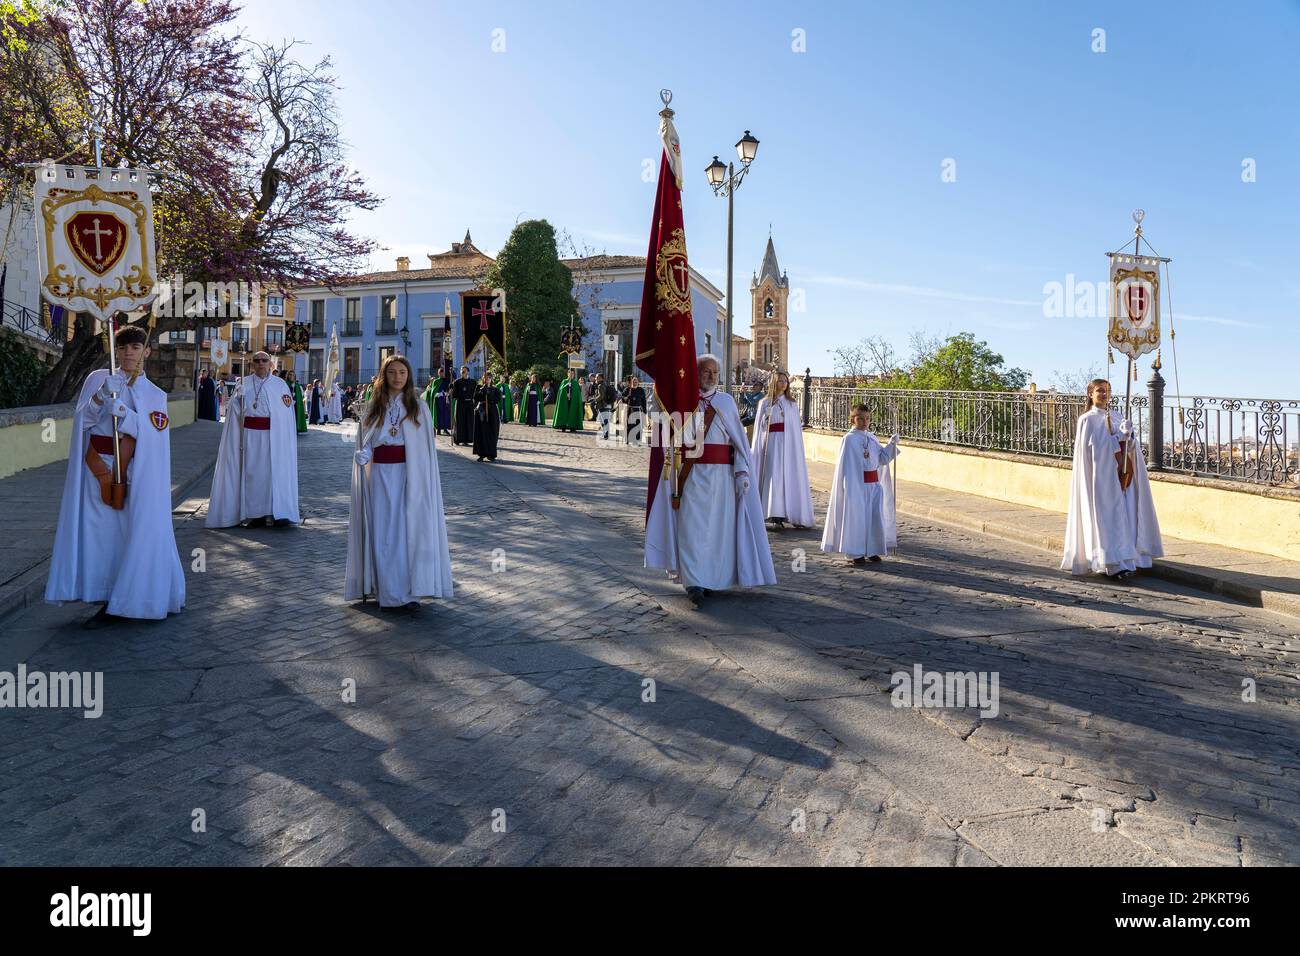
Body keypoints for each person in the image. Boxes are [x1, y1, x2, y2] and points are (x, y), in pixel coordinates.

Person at [45, 325, 186, 628]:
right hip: (95, 467)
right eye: (122, 348)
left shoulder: (155, 394)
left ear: (146, 351)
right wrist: (99, 399)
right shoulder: (97, 378)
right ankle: (105, 594)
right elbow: (82, 420)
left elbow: (155, 437)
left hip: (132, 471)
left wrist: (123, 411)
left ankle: (129, 596)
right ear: (115, 351)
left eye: (135, 347)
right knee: (98, 535)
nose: (128, 353)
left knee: (127, 535)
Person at [645, 354, 776, 605]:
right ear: (696, 373)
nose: (711, 376)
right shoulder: (683, 401)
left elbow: (738, 443)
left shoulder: (726, 403)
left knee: (718, 532)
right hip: (691, 477)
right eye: (706, 371)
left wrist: (741, 472)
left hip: (722, 479)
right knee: (692, 529)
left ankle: (713, 578)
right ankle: (694, 581)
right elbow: (662, 421)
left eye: (715, 373)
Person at [346, 355, 453, 609]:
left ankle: (408, 592)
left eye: (402, 372)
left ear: (408, 376)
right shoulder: (374, 407)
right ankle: (386, 591)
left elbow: (423, 451)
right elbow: (368, 439)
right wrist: (365, 452)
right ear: (385, 375)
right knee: (383, 532)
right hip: (381, 477)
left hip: (408, 476)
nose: (397, 377)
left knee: (407, 532)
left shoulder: (419, 407)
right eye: (392, 372)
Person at [1062, 378, 1163, 579]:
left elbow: (1130, 449)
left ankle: (1128, 560)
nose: (1104, 394)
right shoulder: (1087, 420)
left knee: (1125, 517)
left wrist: (1130, 436)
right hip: (1101, 479)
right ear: (1090, 394)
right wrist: (1118, 439)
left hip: (1122, 476)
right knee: (1107, 519)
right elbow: (1094, 451)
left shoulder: (1116, 417)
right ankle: (1110, 564)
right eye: (1100, 390)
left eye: (1107, 390)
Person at [206, 351, 301, 528]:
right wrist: (237, 400)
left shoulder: (280, 385)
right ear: (252, 364)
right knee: (251, 474)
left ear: (271, 364)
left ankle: (271, 512)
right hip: (249, 436)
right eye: (256, 361)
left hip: (272, 438)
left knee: (270, 475)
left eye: (264, 360)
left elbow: (286, 415)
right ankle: (252, 513)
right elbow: (233, 413)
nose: (260, 364)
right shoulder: (244, 383)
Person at [821, 403, 900, 565]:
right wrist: (849, 487)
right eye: (861, 419)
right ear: (852, 420)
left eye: (867, 419)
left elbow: (883, 459)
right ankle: (855, 552)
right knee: (857, 519)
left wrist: (892, 445)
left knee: (874, 519)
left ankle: (872, 550)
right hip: (856, 486)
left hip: (873, 485)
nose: (865, 422)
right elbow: (846, 467)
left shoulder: (872, 437)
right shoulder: (849, 440)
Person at [750, 370, 814, 529]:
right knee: (774, 476)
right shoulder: (765, 403)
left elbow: (795, 429)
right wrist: (767, 417)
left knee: (787, 477)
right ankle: (775, 515)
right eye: (780, 381)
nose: (784, 384)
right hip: (771, 443)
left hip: (787, 445)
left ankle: (792, 512)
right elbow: (760, 427)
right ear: (773, 383)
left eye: (786, 381)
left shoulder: (791, 404)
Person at [473, 371, 502, 461]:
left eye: (489, 377)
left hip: (492, 412)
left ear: (491, 379)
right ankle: (481, 454)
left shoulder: (495, 389)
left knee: (492, 432)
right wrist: (483, 390)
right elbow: (475, 397)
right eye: (485, 377)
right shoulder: (479, 387)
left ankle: (491, 454)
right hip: (482, 411)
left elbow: (498, 399)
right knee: (482, 432)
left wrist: (488, 394)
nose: (487, 379)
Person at [450, 365, 477, 446]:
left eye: (464, 371)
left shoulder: (473, 382)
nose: (462, 372)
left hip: (469, 404)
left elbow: (476, 395)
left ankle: (468, 439)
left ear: (468, 372)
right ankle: (459, 439)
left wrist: (475, 404)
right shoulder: (456, 382)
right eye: (461, 371)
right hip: (460, 404)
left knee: (469, 421)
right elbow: (454, 395)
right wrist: (451, 389)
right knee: (460, 422)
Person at [553, 368, 584, 433]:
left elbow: (578, 393)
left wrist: (572, 388)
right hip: (565, 401)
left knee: (573, 413)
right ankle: (563, 426)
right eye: (570, 373)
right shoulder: (564, 381)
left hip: (573, 401)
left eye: (572, 373)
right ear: (567, 374)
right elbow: (561, 391)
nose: (571, 374)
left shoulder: (575, 383)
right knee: (564, 412)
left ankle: (572, 426)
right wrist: (567, 385)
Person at [625, 376, 648, 445]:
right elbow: (623, 397)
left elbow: (644, 401)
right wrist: (627, 397)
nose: (634, 383)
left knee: (638, 425)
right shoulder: (628, 389)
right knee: (630, 424)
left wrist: (644, 410)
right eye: (633, 382)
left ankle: (638, 440)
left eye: (636, 382)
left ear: (638, 383)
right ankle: (628, 439)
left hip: (638, 409)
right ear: (631, 382)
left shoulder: (641, 390)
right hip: (630, 409)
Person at [284, 369, 307, 435]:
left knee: (296, 416)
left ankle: (296, 428)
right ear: (288, 376)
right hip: (287, 404)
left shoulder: (297, 385)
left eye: (293, 375)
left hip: (296, 404)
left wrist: (295, 397)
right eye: (290, 375)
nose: (291, 376)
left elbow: (301, 396)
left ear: (295, 376)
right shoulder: (285, 384)